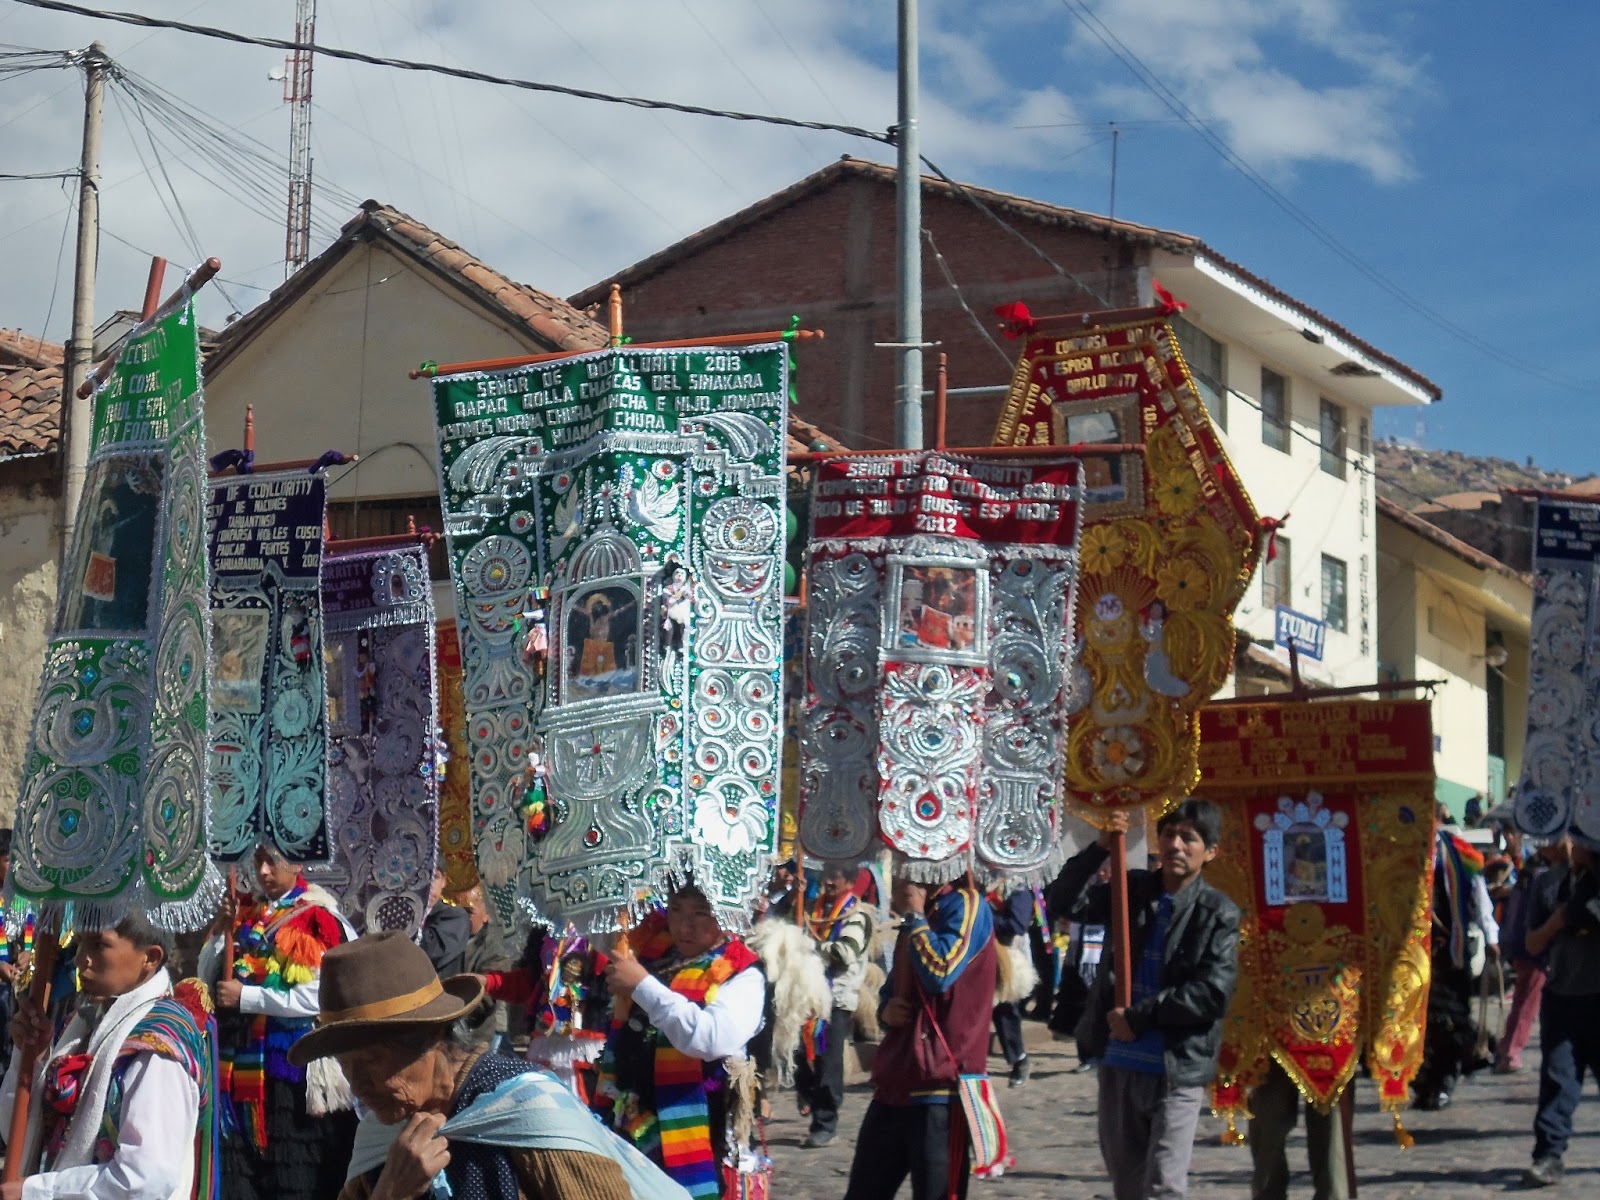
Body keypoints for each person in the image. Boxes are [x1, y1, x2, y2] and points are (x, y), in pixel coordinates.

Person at [290, 931, 689, 1200]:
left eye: (372, 1062)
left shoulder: (528, 1111)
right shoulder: (380, 1139)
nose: (358, 1086)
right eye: (345, 1065)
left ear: (430, 1039)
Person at [1048, 801, 1240, 1200]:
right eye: (1169, 834)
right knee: (1128, 1184)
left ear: (1211, 851)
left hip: (1176, 1067)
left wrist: (1139, 1017)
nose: (1176, 845)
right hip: (1118, 1062)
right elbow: (1062, 901)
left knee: (1164, 1186)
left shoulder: (1217, 913)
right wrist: (1099, 848)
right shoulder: (1130, 890)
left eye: (1189, 838)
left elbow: (1211, 993)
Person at [0, 912, 216, 1200]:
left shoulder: (158, 1048)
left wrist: (37, 1191)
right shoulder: (85, 1023)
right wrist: (29, 1058)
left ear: (150, 958)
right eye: (79, 944)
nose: (80, 960)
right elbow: (10, 1129)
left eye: (98, 945)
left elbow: (143, 1178)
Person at [202, 842, 357, 1200]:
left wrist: (247, 997)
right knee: (243, 1168)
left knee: (293, 1170)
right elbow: (209, 977)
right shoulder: (248, 915)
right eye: (257, 863)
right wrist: (223, 927)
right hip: (241, 1065)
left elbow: (317, 997)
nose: (264, 872)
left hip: (292, 1070)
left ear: (298, 864)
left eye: (272, 862)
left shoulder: (318, 918)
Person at [599, 884, 766, 1199]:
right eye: (676, 910)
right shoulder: (653, 953)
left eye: (700, 913)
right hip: (638, 1129)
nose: (684, 926)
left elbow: (709, 1038)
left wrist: (642, 986)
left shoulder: (742, 972)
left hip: (699, 1136)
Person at [841, 874, 996, 1200]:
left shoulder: (968, 905)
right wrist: (886, 1010)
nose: (898, 875)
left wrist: (915, 915)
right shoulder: (926, 912)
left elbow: (941, 971)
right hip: (896, 1080)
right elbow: (895, 986)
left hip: (942, 1088)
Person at [1521, 831, 1600, 1188]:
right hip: (1561, 996)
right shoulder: (1546, 883)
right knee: (1557, 1079)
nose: (1543, 844)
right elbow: (1531, 941)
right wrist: (1557, 922)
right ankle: (1548, 1155)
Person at [1413, 820, 1497, 1110]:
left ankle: (1445, 1080)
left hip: (1451, 950)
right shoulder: (1399, 852)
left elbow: (1479, 895)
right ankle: (1422, 1083)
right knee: (1416, 1024)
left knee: (1449, 1022)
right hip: (1413, 955)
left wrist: (1491, 935)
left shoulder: (1461, 854)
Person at [795, 862, 874, 1148]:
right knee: (796, 1052)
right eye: (826, 875)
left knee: (828, 1061)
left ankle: (825, 1121)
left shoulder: (857, 914)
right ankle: (807, 1093)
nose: (827, 881)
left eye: (835, 876)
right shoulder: (813, 909)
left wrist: (807, 947)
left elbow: (844, 952)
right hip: (807, 996)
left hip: (837, 999)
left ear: (851, 881)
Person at [1497, 838, 1566, 1074]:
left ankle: (1506, 1046)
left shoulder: (1528, 872)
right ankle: (1510, 1051)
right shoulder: (1543, 876)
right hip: (1534, 947)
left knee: (1522, 999)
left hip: (1520, 944)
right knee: (1527, 1002)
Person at [1246, 1062, 1350, 1200]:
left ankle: (1331, 1195)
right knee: (1269, 1114)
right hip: (1274, 1045)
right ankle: (1268, 1194)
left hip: (1331, 1048)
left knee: (1331, 1123)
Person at [451, 887, 515, 1050]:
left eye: (468, 912)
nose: (460, 917)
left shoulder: (496, 947)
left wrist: (450, 1014)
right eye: (456, 910)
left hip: (476, 1038)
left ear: (486, 915)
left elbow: (486, 997)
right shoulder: (445, 939)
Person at [990, 885, 1036, 1087]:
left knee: (1005, 1010)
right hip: (978, 953)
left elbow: (1016, 924)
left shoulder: (1019, 889)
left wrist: (983, 917)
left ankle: (1018, 1057)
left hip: (1004, 955)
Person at [420, 868, 471, 979]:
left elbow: (431, 950)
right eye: (421, 875)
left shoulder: (455, 916)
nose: (430, 884)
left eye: (435, 877)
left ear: (444, 881)